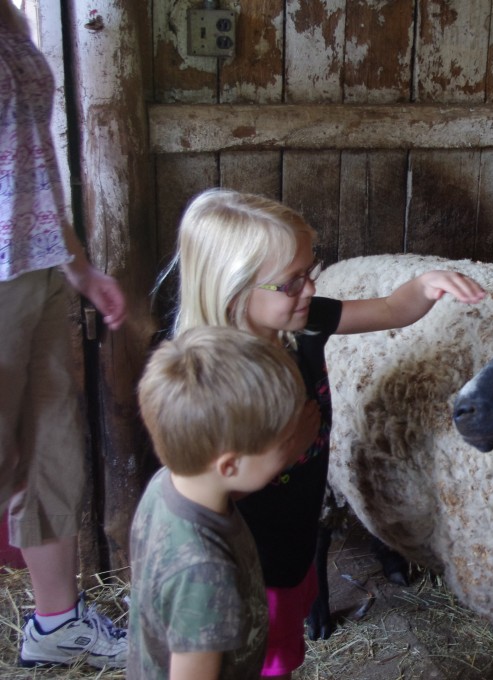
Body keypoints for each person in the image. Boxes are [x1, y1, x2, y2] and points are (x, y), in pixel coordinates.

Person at [169, 187, 486, 678]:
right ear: (233, 289)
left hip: (295, 537)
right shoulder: (211, 381)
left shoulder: (302, 323)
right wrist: (285, 451)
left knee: (284, 651)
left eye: (309, 273)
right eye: (291, 282)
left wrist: (424, 285)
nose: (310, 288)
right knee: (257, 658)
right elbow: (204, 488)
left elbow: (388, 310)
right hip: (248, 561)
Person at [1, 0, 130, 669]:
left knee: (52, 452)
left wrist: (77, 267)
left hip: (37, 267)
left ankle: (56, 625)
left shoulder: (12, 22)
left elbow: (34, 154)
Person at [129, 326, 308, 680]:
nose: (292, 446)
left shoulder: (168, 483)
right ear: (229, 465)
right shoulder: (205, 575)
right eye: (283, 443)